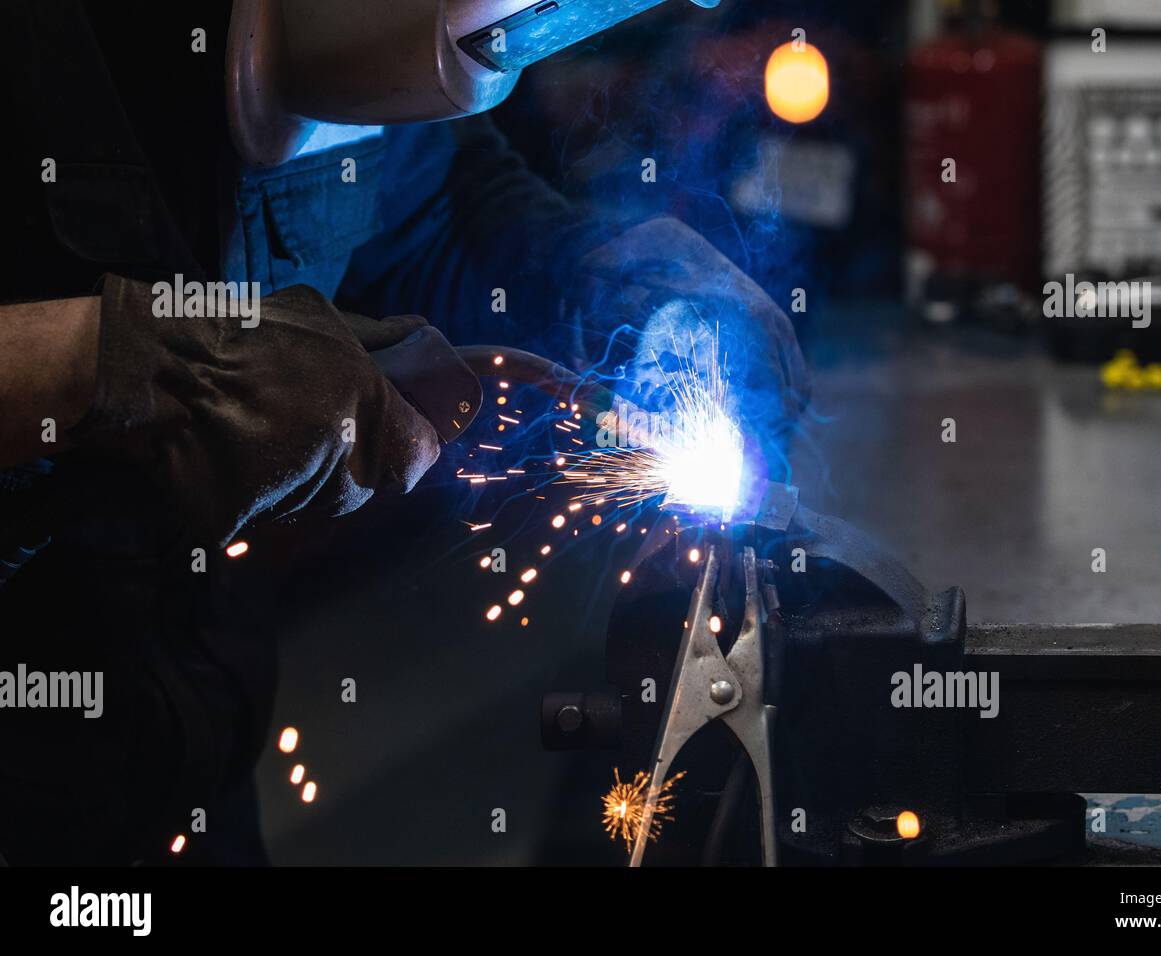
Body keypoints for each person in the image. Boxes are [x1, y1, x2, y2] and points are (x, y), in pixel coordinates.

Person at [0, 0, 808, 863]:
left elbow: (428, 210)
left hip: (188, 735)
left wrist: (581, 276)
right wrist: (118, 364)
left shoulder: (356, 30)